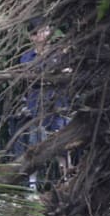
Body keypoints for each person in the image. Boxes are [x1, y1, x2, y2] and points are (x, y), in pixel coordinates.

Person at [15, 19, 71, 189]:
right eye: (42, 31)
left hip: (58, 103)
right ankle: (33, 185)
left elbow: (67, 72)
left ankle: (66, 181)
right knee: (35, 144)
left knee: (62, 142)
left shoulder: (59, 53)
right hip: (36, 105)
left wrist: (52, 75)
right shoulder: (27, 57)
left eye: (48, 30)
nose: (47, 34)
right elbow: (29, 78)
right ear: (33, 37)